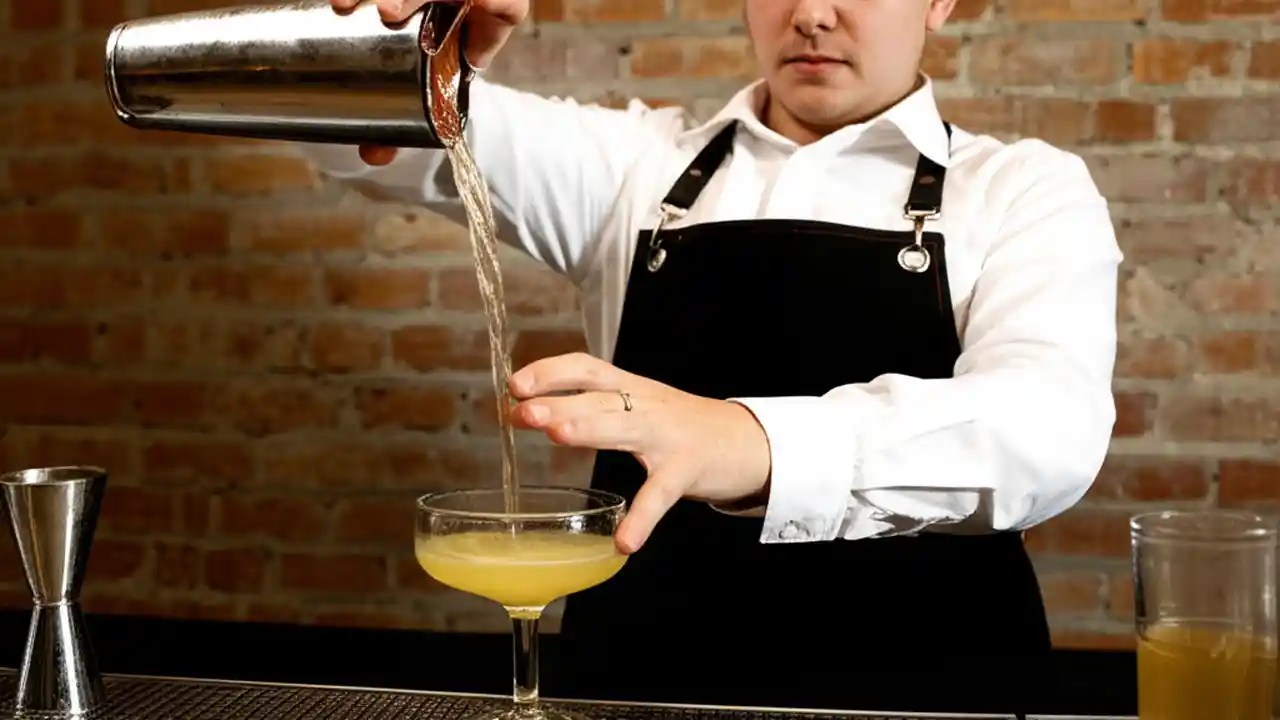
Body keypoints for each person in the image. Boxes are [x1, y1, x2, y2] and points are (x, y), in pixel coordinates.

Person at [309, 0, 1123, 713]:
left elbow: (1047, 429)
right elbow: (354, 133)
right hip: (637, 686)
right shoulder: (634, 168)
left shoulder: (1021, 188)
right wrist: (401, 46)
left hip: (940, 694)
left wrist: (745, 440)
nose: (811, 14)